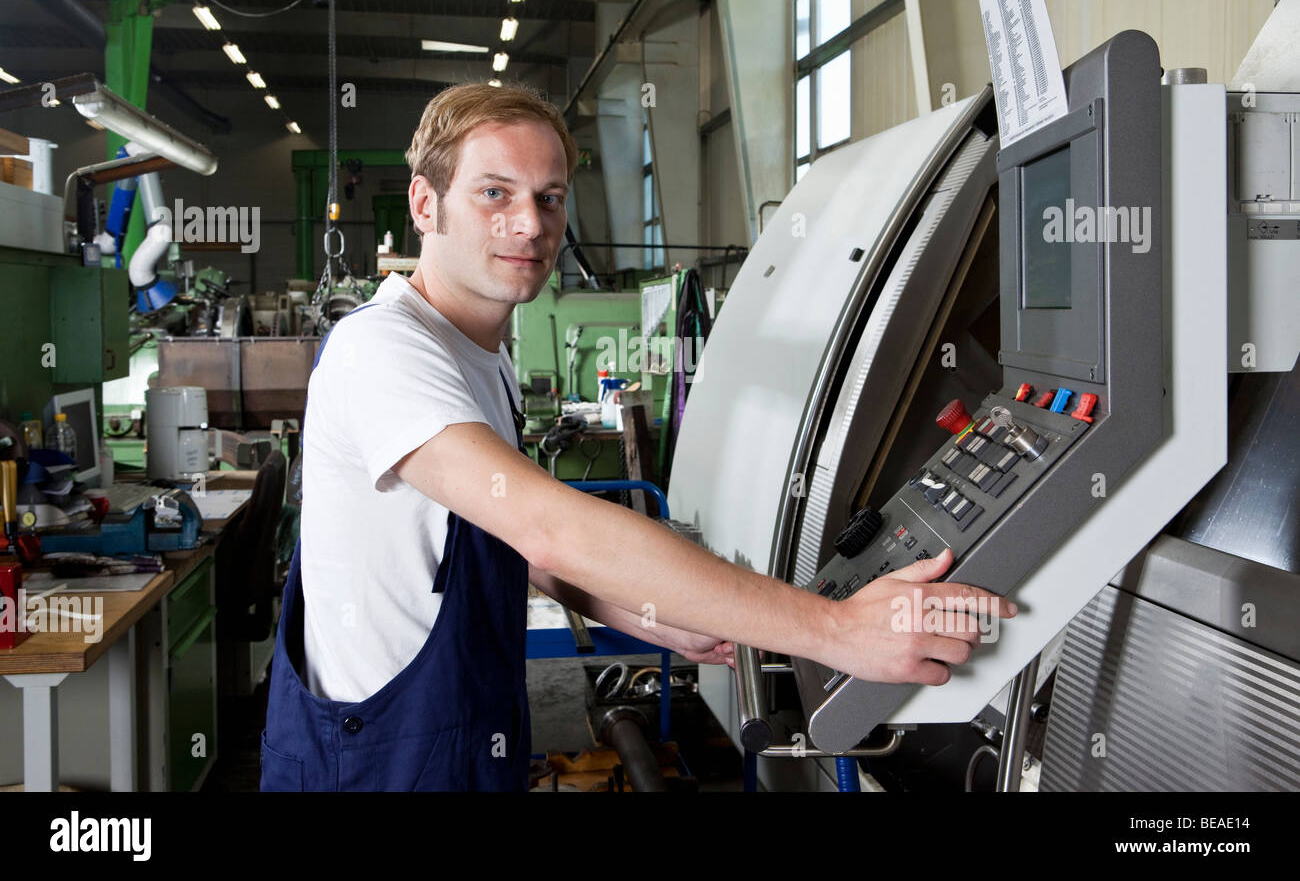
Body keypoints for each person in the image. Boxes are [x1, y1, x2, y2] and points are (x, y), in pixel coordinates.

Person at [260, 82, 1016, 791]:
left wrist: (649, 615)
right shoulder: (383, 350)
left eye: (548, 198)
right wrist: (836, 629)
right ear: (425, 204)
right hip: (373, 760)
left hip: (460, 739)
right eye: (494, 193)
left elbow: (500, 545)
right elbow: (550, 531)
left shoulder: (481, 358)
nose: (529, 223)